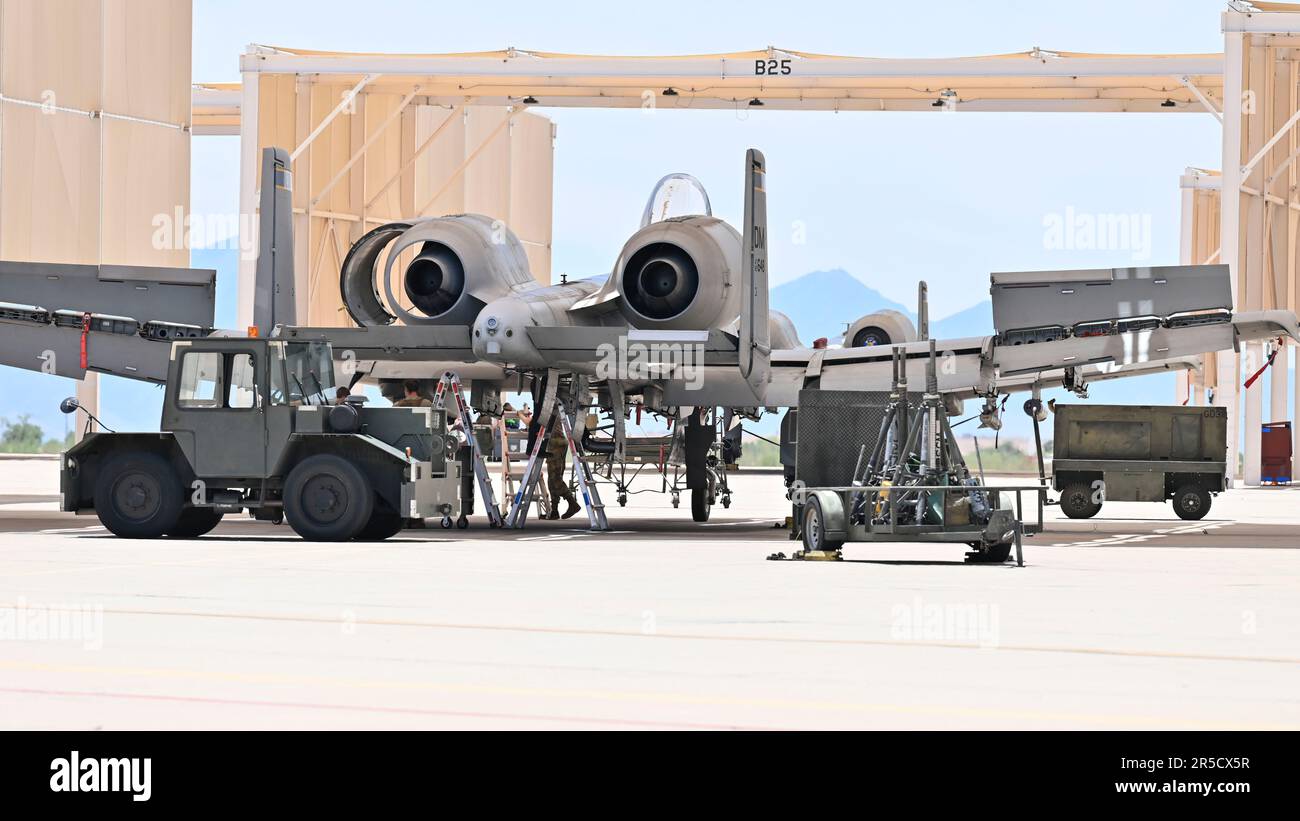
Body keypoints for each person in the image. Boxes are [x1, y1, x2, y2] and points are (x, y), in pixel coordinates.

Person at [546, 422, 580, 520]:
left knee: (555, 478)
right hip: (558, 442)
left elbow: (534, 421)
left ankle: (572, 503)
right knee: (552, 478)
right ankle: (554, 511)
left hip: (555, 443)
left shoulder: (548, 406)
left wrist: (520, 415)